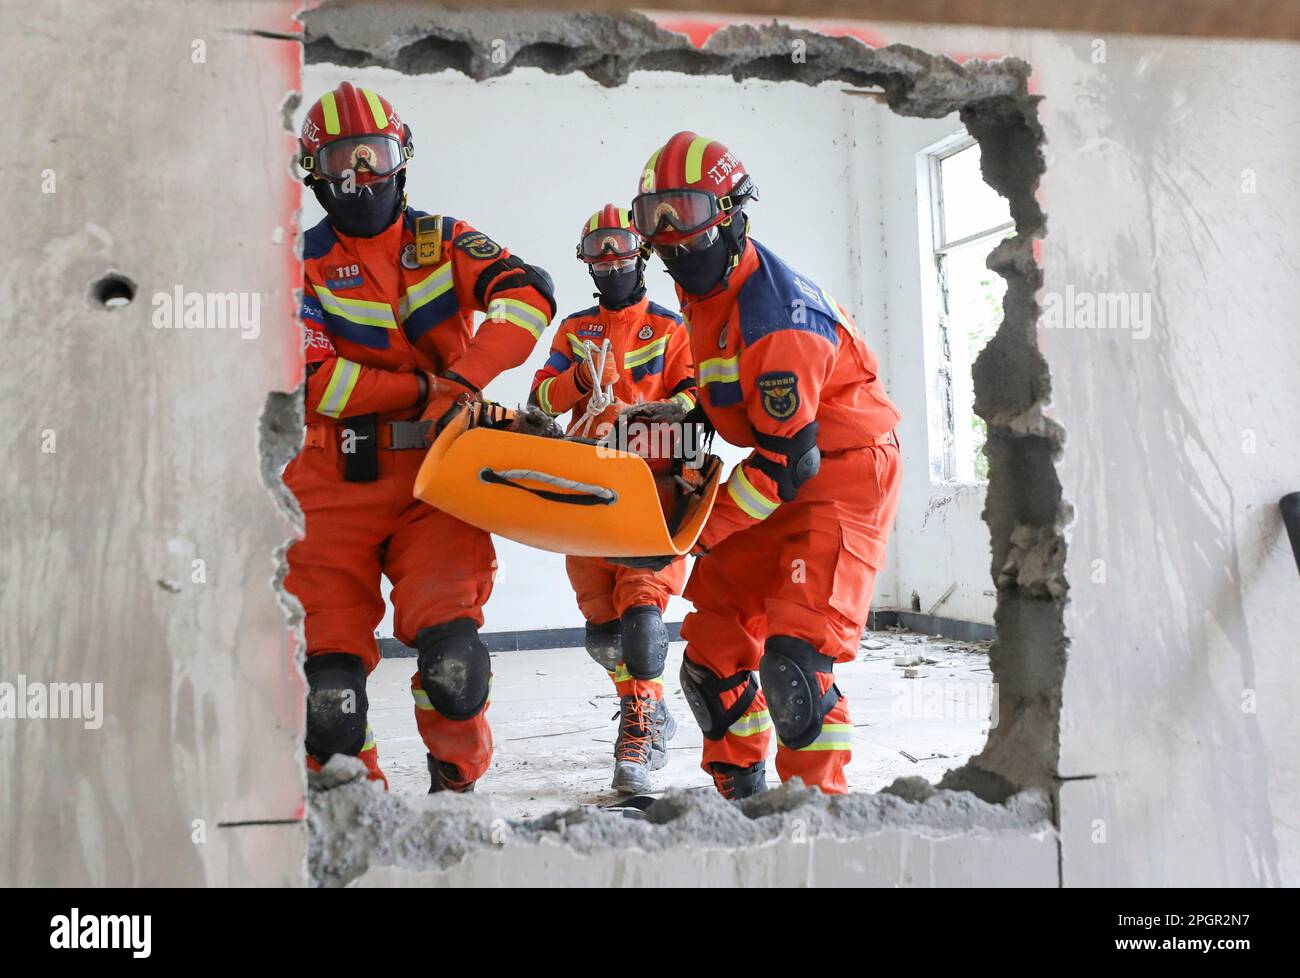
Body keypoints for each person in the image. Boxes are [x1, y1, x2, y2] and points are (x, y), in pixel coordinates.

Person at [288, 82, 556, 792]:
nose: (361, 176)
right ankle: (355, 810)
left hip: (439, 478)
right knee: (330, 701)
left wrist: (464, 382)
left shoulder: (443, 241)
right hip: (328, 485)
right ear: (314, 174)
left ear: (402, 157)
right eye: (342, 161)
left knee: (455, 665)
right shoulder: (295, 262)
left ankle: (454, 794)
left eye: (373, 155)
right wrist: (426, 390)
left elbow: (529, 294)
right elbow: (320, 384)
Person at [629, 132, 902, 799]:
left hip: (841, 476)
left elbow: (786, 467)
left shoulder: (777, 318)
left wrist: (686, 537)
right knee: (712, 657)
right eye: (654, 214)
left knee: (795, 667)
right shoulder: (708, 293)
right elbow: (727, 398)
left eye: (685, 210)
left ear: (729, 211)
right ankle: (744, 800)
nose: (668, 232)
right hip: (779, 467)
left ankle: (816, 817)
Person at [528, 205, 697, 794]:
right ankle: (642, 706)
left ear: (641, 253)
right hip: (587, 497)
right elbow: (541, 403)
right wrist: (578, 380)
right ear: (585, 261)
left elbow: (698, 400)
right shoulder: (574, 329)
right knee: (603, 631)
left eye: (620, 248)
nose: (610, 261)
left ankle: (642, 728)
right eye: (597, 251)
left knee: (643, 615)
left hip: (651, 494)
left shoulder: (672, 328)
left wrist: (651, 412)